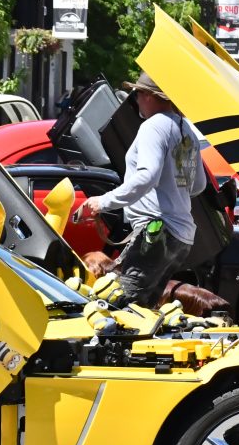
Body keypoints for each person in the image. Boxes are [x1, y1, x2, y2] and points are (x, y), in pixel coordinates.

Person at [77, 72, 206, 308]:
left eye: (137, 94)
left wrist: (103, 202)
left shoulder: (153, 126)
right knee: (143, 308)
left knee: (119, 303)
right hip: (181, 236)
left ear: (149, 96)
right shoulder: (186, 130)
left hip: (156, 232)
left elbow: (147, 175)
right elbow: (198, 185)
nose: (135, 100)